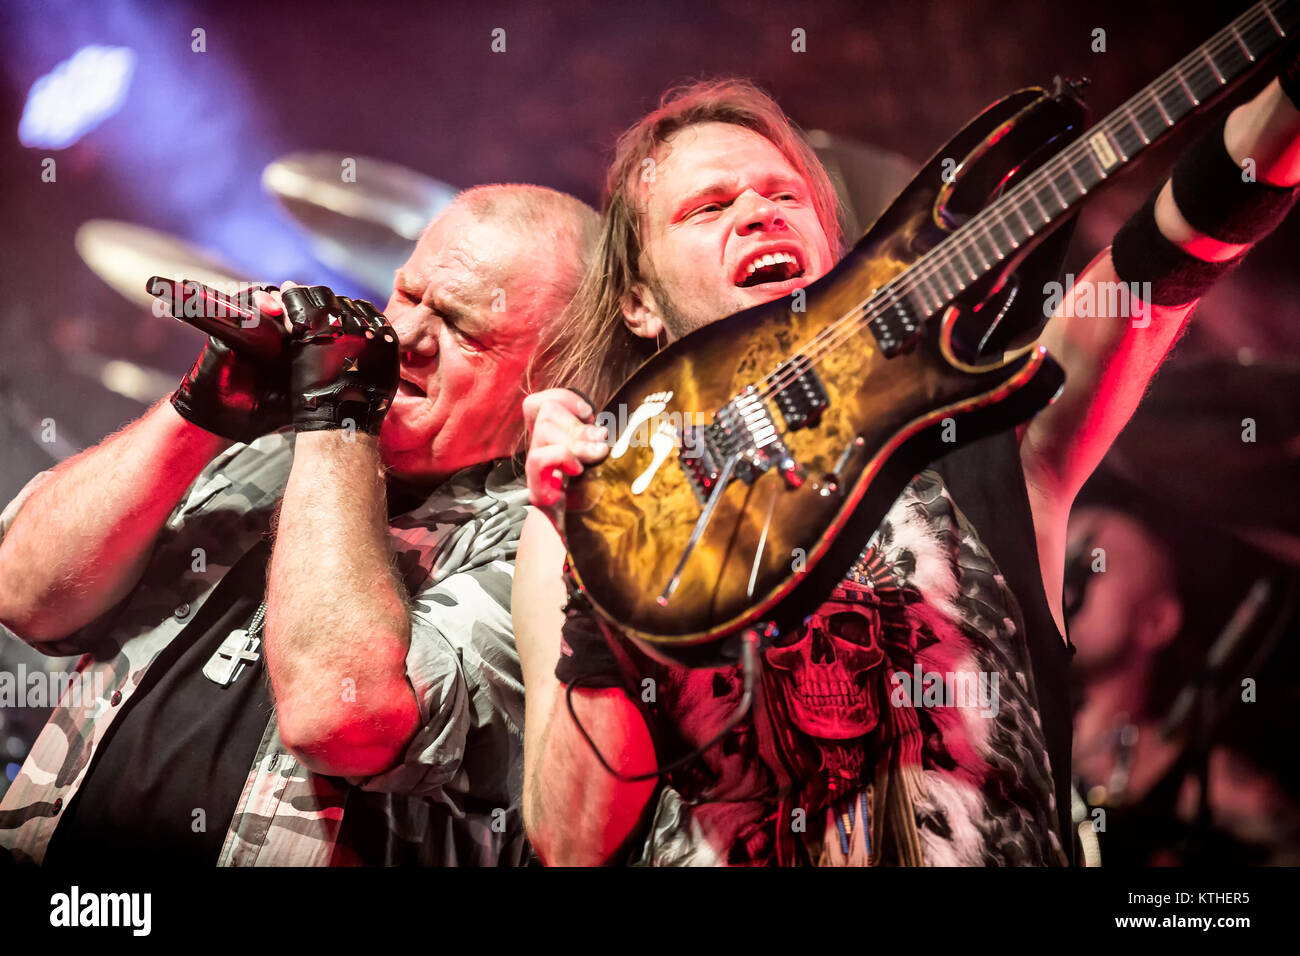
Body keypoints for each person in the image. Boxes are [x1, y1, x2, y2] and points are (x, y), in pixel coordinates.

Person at [513, 67, 1300, 865]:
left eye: (785, 198)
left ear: (835, 250)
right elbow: (573, 843)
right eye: (709, 208)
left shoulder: (977, 434)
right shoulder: (573, 520)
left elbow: (1152, 266)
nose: (757, 213)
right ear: (639, 300)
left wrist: (1287, 110)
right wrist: (599, 566)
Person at [0, 183, 598, 866]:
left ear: (555, 376)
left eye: (463, 329)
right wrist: (194, 414)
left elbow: (336, 718)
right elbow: (25, 596)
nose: (404, 337)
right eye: (406, 295)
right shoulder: (277, 439)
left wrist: (338, 423)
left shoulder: (543, 547)